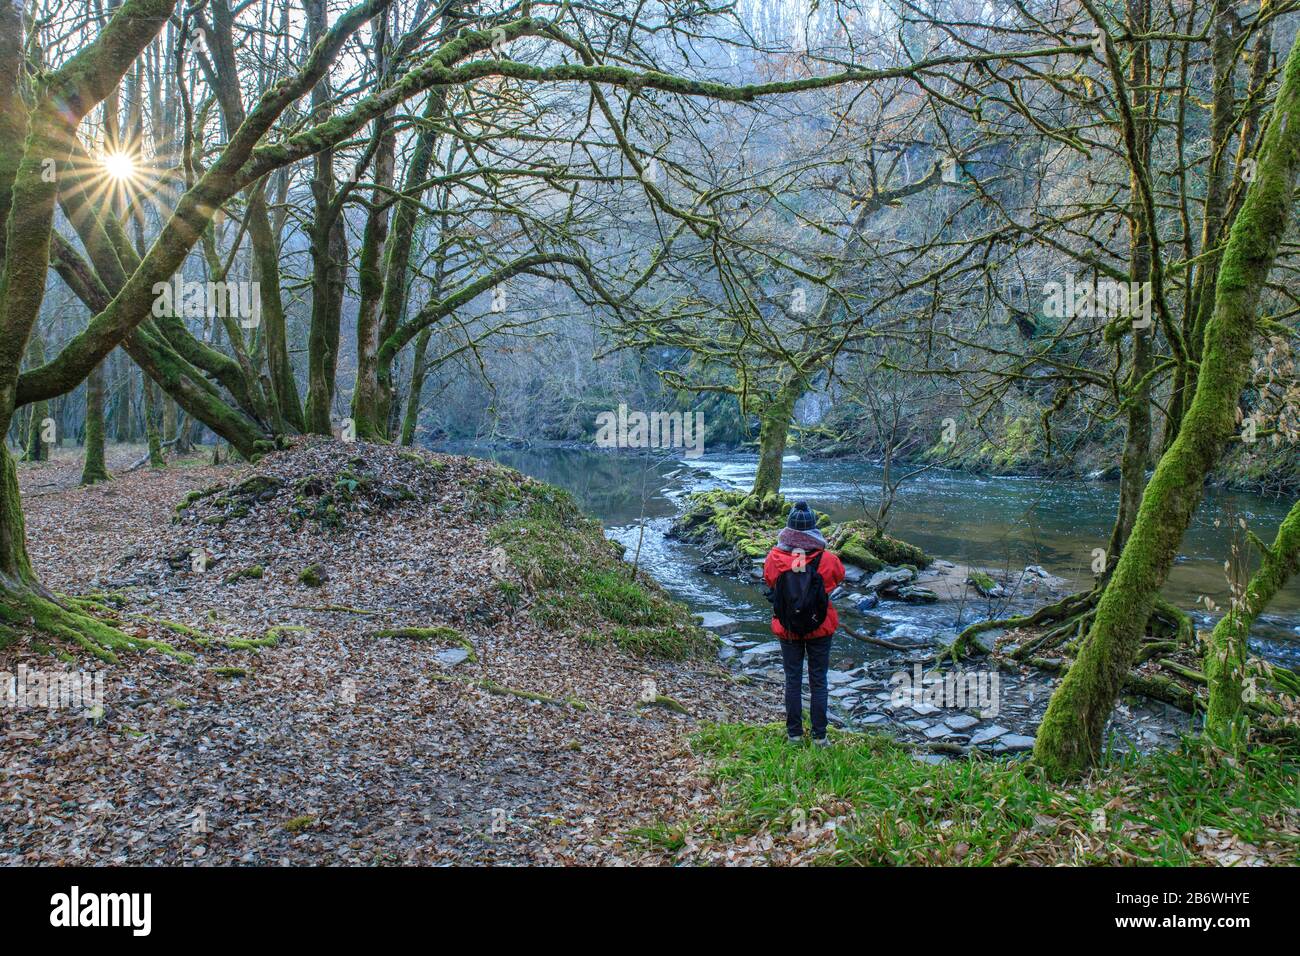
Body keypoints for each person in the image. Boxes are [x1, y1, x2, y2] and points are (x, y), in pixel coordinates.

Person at [763, 500, 845, 746]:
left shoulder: (774, 557)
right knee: (818, 680)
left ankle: (794, 735)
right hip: (820, 627)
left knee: (793, 680)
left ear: (788, 530)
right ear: (813, 529)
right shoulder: (828, 559)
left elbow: (769, 581)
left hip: (787, 627)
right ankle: (820, 737)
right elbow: (838, 577)